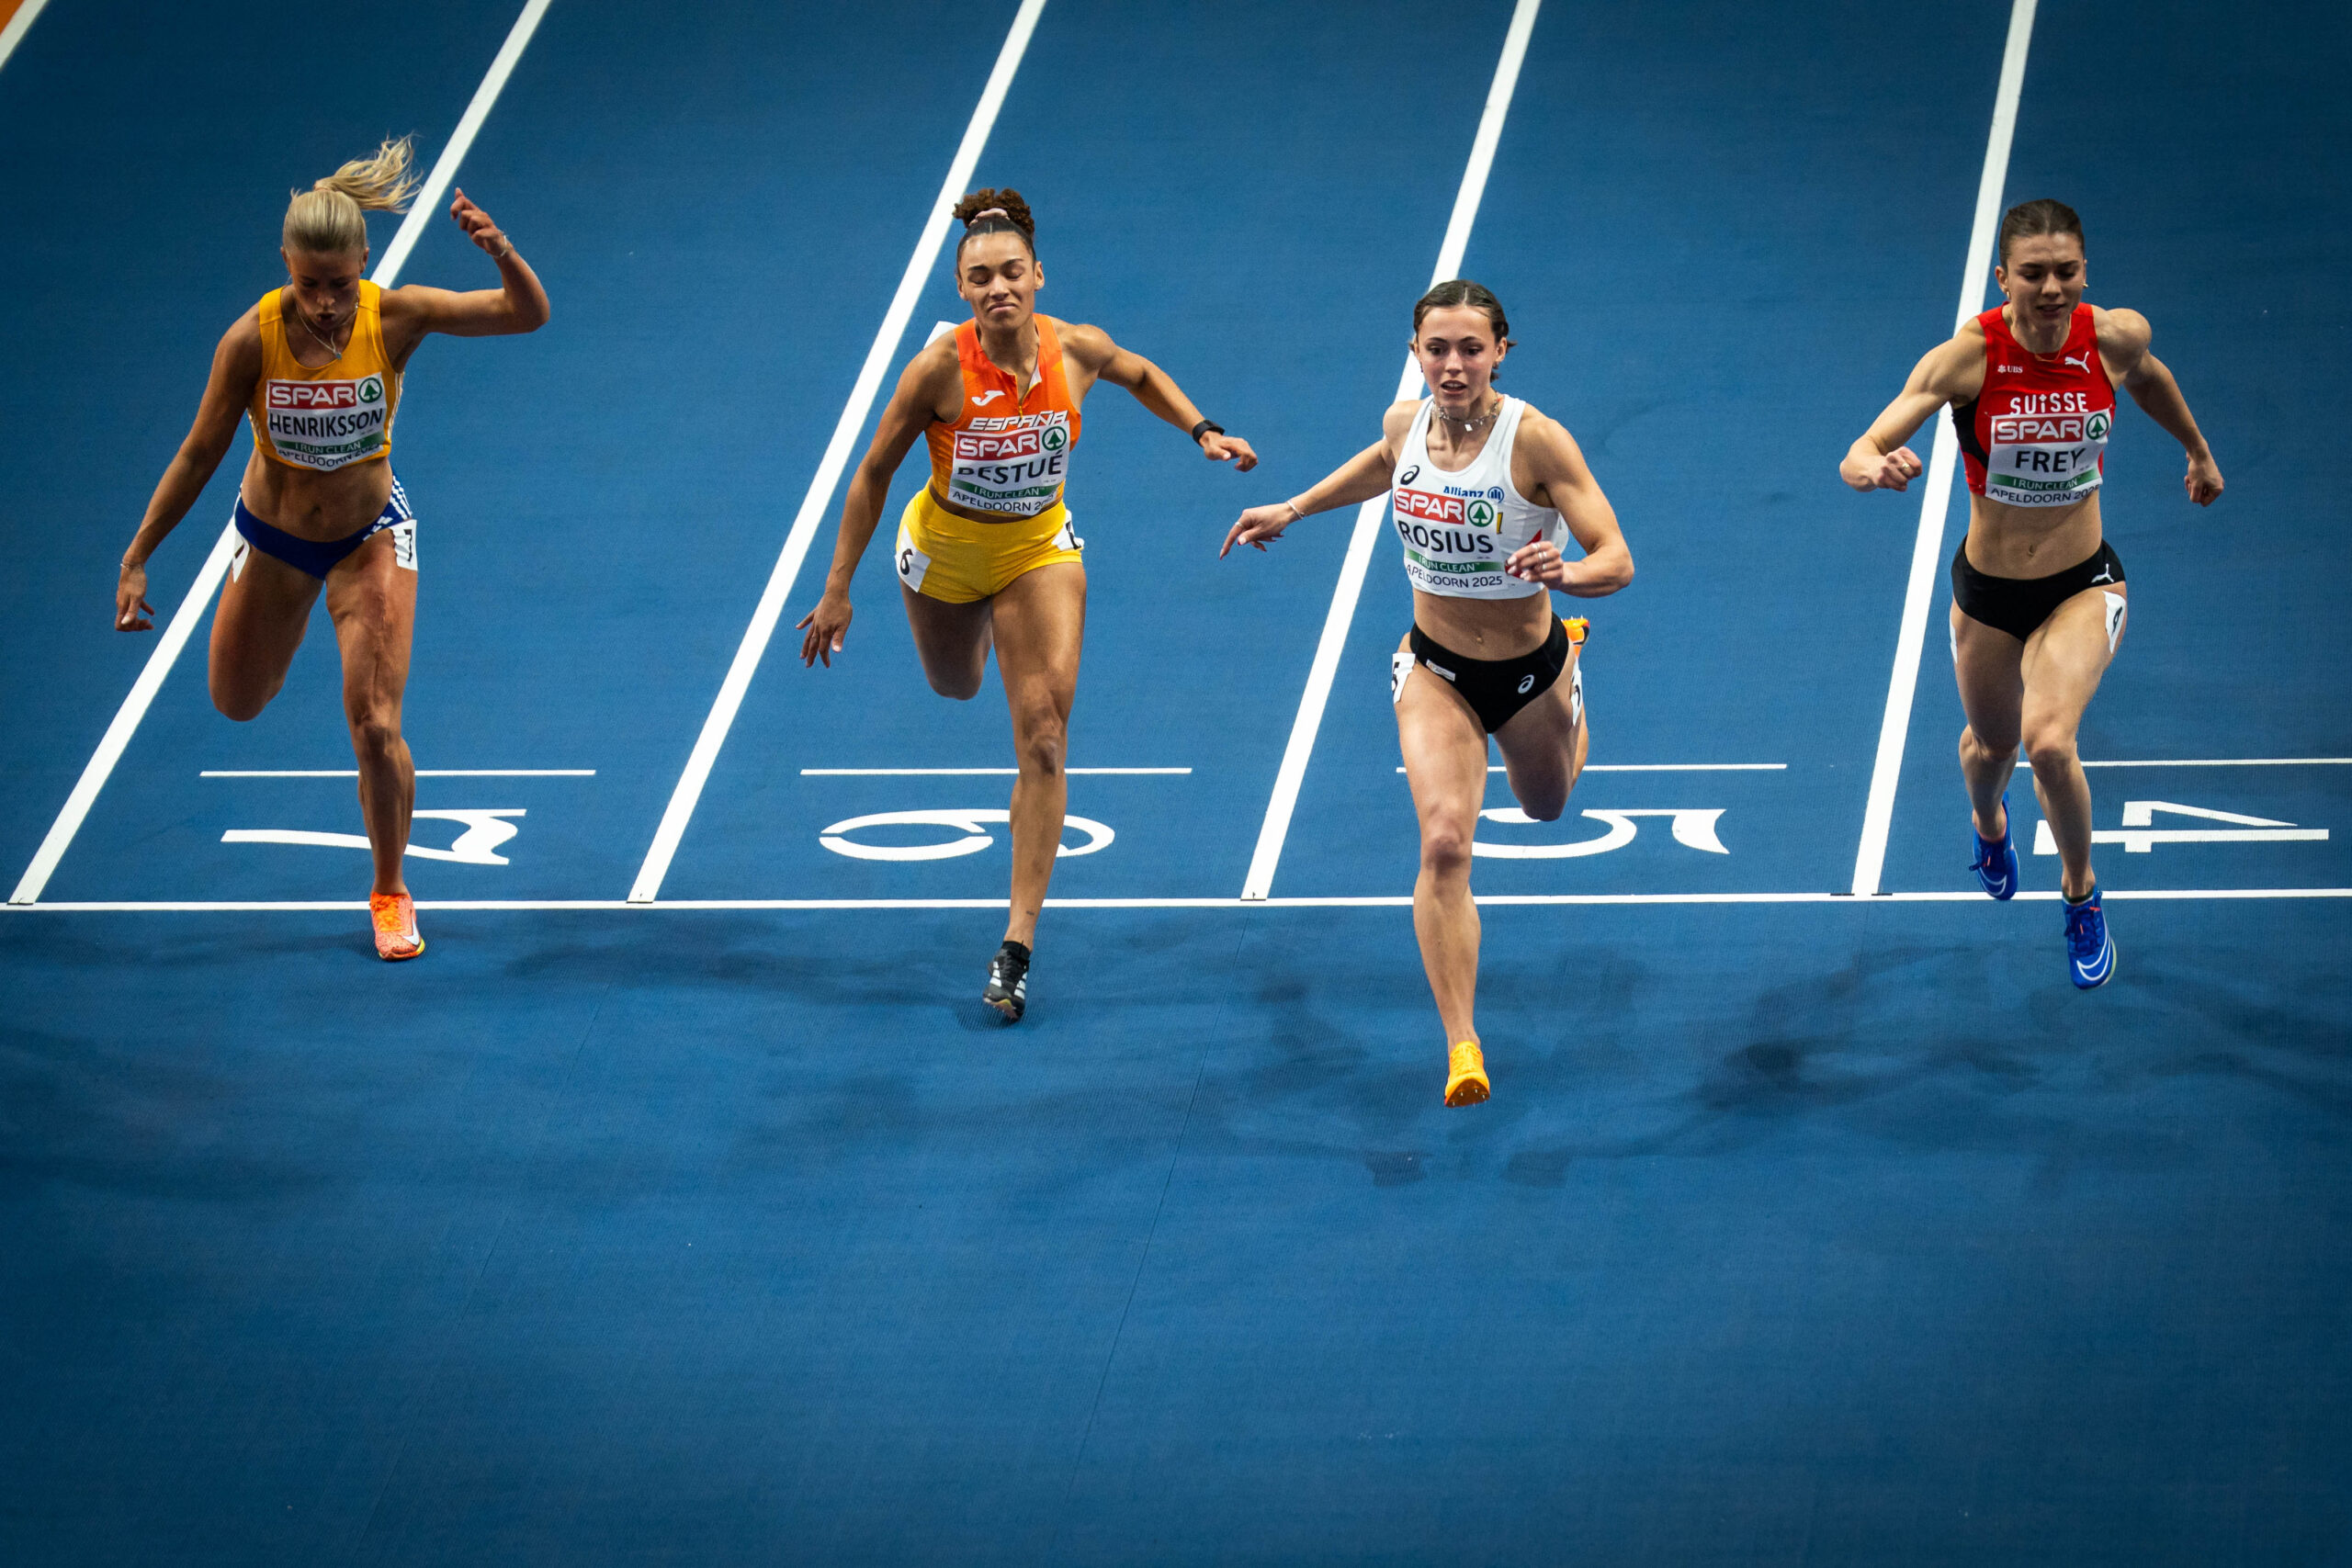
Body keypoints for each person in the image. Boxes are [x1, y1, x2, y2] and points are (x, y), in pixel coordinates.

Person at [796, 188, 1257, 1021]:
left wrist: (1203, 429)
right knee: (956, 685)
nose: (998, 287)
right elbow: (872, 471)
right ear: (961, 288)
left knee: (1043, 734)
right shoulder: (937, 371)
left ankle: (1016, 945)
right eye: (981, 277)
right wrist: (837, 588)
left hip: (1037, 550)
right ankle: (980, 634)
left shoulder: (1076, 347)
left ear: (1038, 275)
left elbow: (1140, 373)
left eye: (1012, 271)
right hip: (943, 553)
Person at [114, 138, 550, 959]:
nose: (324, 304)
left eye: (340, 285)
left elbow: (526, 315)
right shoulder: (251, 341)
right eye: (309, 285)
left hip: (368, 536)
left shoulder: (394, 316)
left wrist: (502, 252)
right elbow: (198, 454)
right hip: (273, 538)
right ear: (286, 264)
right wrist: (139, 554)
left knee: (375, 723)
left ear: (364, 264)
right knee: (236, 699)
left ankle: (390, 891)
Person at [1224, 280, 1634, 1106]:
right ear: (1415, 352)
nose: (1453, 365)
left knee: (1548, 805)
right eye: (1437, 349)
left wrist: (1566, 573)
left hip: (1528, 669)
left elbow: (1616, 558)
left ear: (1500, 352)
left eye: (1470, 349)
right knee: (1445, 842)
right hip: (1434, 668)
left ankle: (1572, 671)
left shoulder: (1537, 442)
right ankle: (1462, 1044)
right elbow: (1383, 466)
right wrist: (1294, 508)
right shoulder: (1404, 423)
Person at [1840, 198, 2222, 987]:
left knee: (2048, 742)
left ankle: (2081, 893)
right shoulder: (1967, 359)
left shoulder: (2113, 338)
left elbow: (2151, 381)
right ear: (2002, 277)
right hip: (1988, 593)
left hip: (2082, 583)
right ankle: (1988, 824)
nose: (2052, 289)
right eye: (2034, 273)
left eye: (2067, 271)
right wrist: (1873, 466)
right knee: (1992, 749)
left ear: (2085, 270)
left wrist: (2197, 451)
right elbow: (1864, 445)